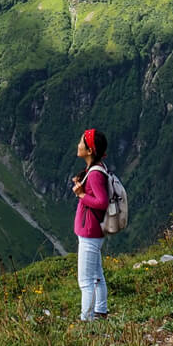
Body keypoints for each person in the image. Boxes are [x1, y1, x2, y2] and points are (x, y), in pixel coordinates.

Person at [72, 128, 111, 321]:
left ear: (89, 151)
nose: (78, 145)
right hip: (93, 230)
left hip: (90, 232)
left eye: (82, 142)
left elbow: (102, 202)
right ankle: (100, 312)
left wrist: (81, 195)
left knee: (85, 281)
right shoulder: (95, 170)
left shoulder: (95, 173)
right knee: (96, 276)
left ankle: (86, 320)